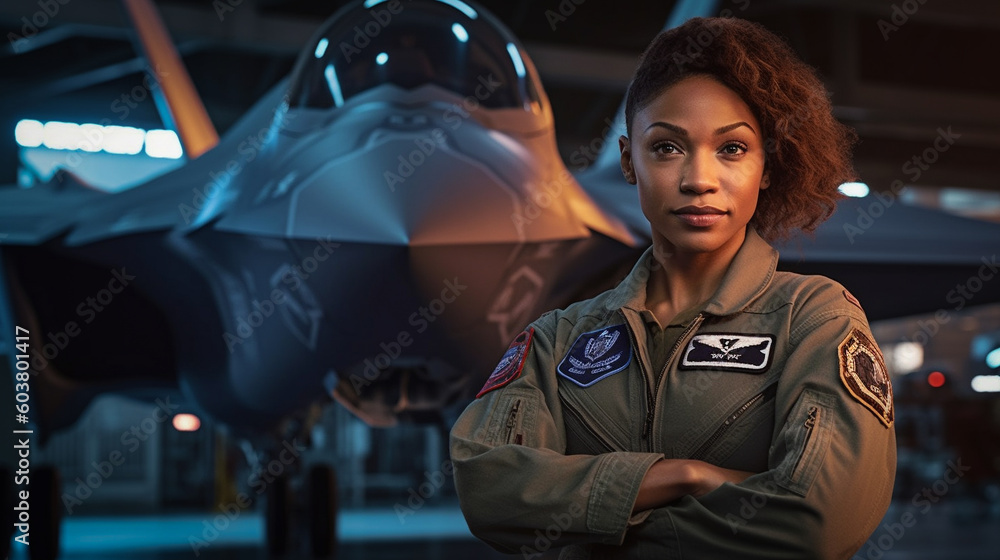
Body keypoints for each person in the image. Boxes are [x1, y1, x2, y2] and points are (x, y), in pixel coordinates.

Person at [450, 16, 896, 560]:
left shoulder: (814, 319)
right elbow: (487, 489)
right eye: (666, 148)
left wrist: (602, 529)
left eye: (732, 149)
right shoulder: (559, 338)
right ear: (627, 161)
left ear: (769, 166)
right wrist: (685, 476)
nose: (698, 179)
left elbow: (821, 521)